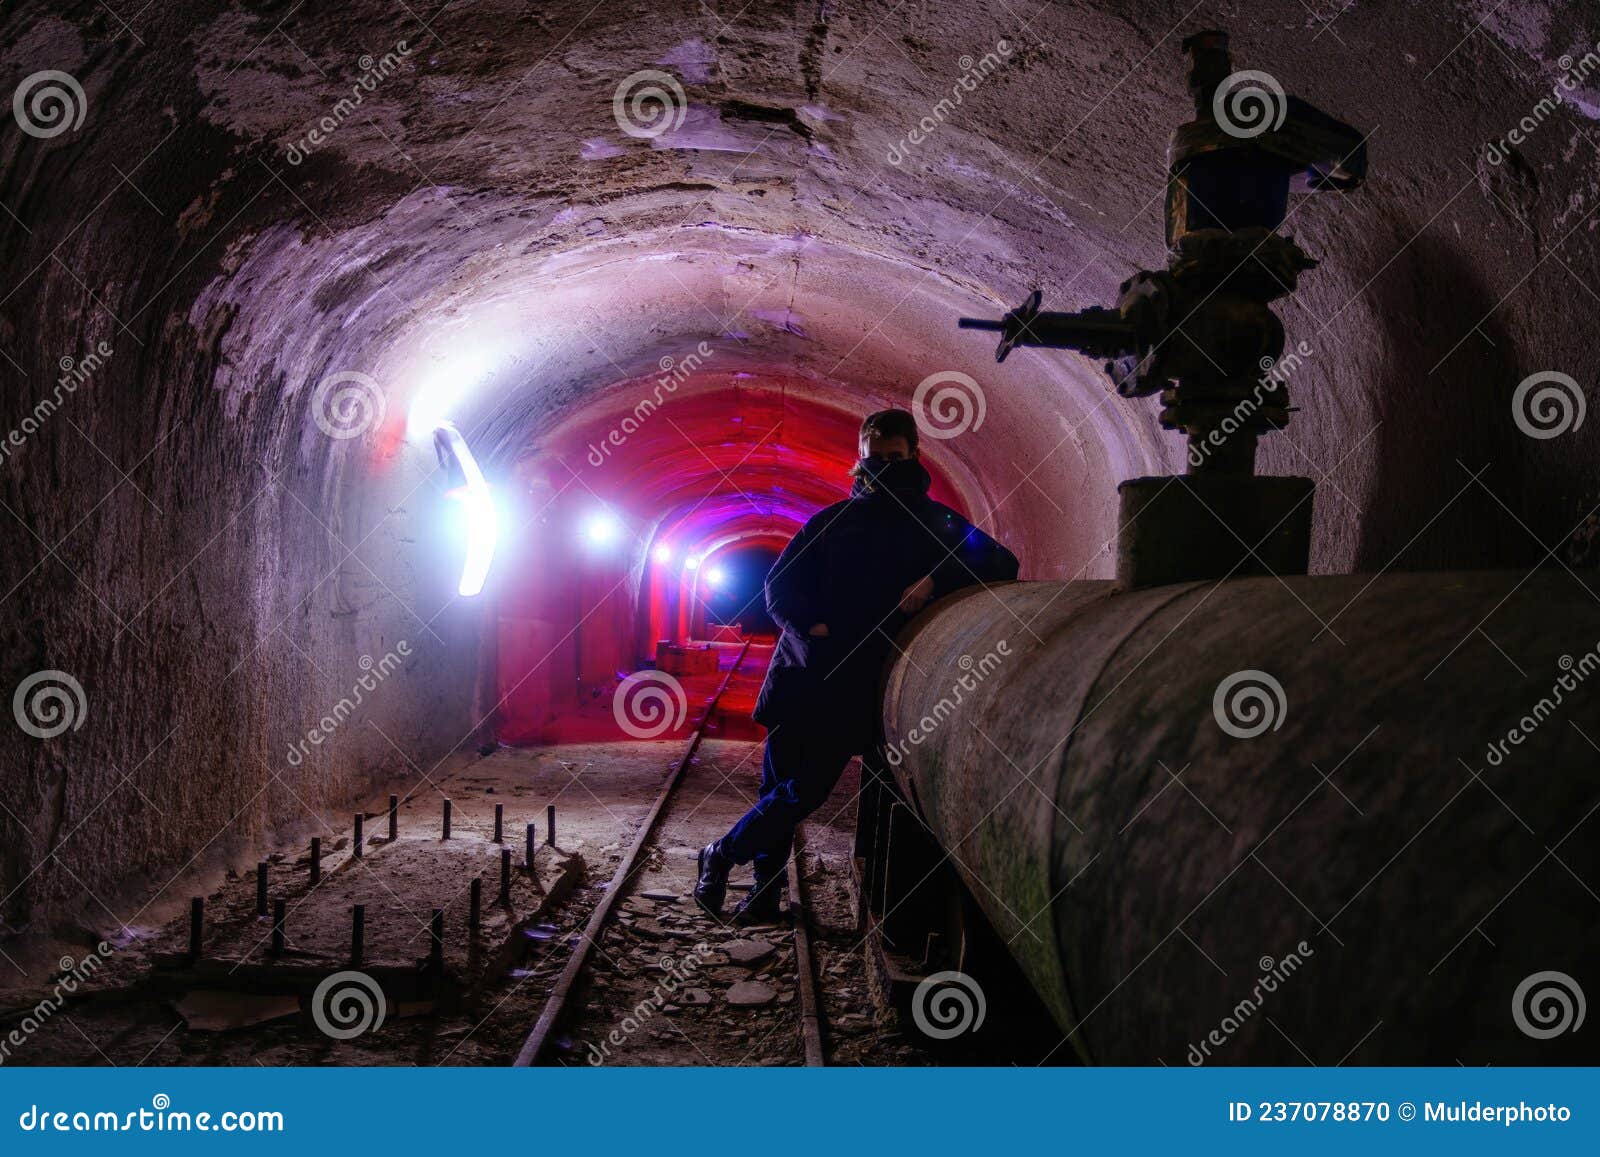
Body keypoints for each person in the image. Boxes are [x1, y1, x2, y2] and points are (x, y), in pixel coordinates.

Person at [695, 408, 1020, 924]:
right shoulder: (831, 522)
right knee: (777, 790)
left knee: (806, 790)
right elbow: (779, 589)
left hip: (856, 688)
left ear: (914, 454)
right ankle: (762, 894)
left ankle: (721, 852)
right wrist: (812, 629)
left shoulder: (938, 525)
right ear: (860, 462)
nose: (885, 468)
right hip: (803, 677)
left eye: (895, 458)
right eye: (875, 460)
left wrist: (936, 582)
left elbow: (1001, 563)